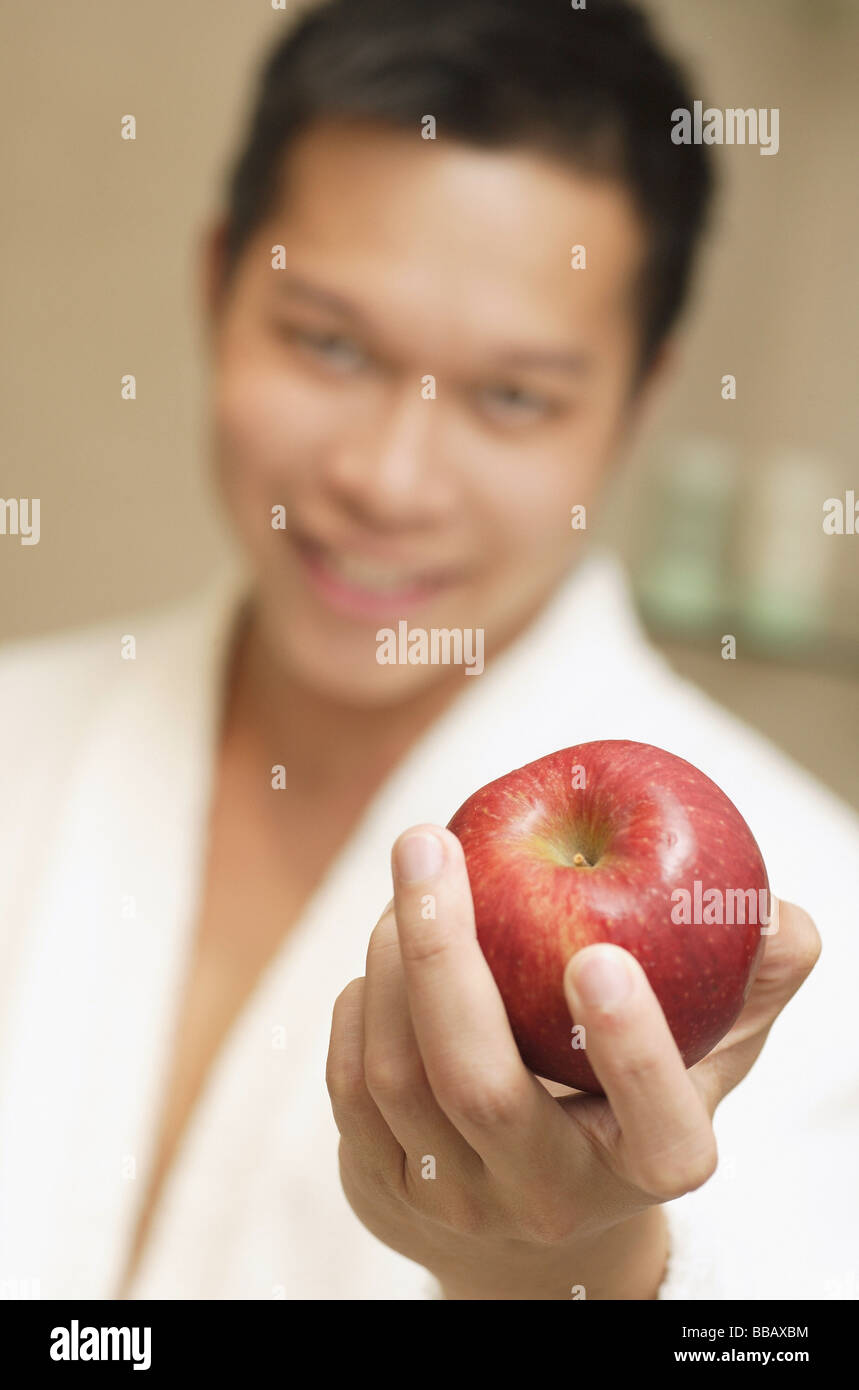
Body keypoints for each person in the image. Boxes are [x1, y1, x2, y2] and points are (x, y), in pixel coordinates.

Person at [0, 0, 855, 1302]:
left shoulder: (807, 922)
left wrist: (585, 1272)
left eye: (515, 397)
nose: (389, 480)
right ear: (217, 280)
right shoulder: (20, 735)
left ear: (640, 396)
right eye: (329, 342)